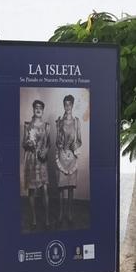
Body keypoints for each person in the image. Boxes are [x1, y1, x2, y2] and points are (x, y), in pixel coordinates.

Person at [22, 99, 51, 230]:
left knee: (45, 189)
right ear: (33, 109)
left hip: (42, 160)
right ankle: (33, 218)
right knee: (32, 190)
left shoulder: (46, 126)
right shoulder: (27, 125)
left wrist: (45, 151)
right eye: (36, 107)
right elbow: (23, 143)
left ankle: (47, 218)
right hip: (31, 160)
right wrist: (28, 144)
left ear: (43, 110)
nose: (38, 109)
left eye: (40, 107)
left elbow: (49, 143)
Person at [55, 94, 82, 226]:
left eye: (69, 104)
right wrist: (60, 144)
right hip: (61, 155)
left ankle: (69, 213)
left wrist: (74, 146)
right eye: (65, 104)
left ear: (72, 105)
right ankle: (60, 213)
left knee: (70, 187)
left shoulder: (77, 121)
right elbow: (56, 142)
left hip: (72, 158)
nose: (67, 106)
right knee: (61, 187)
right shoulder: (59, 122)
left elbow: (80, 141)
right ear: (63, 105)